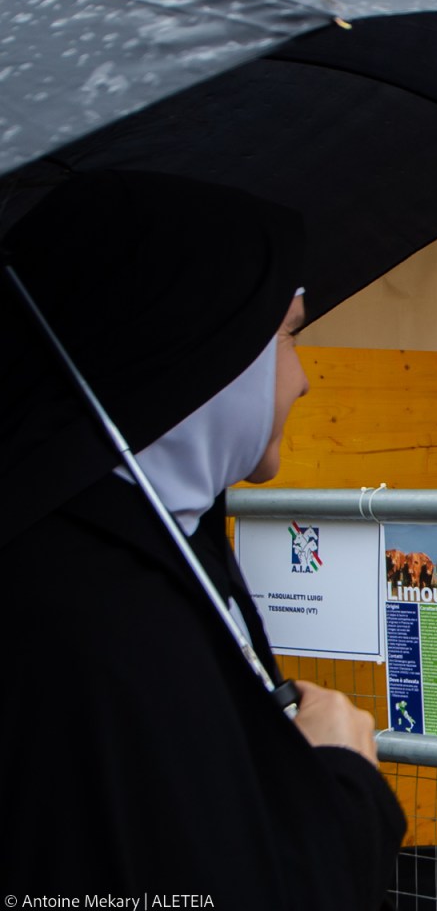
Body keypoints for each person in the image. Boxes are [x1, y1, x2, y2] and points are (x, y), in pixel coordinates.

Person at [0, 171, 405, 906]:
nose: (303, 379)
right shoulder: (104, 622)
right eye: (287, 335)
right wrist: (346, 781)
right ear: (199, 344)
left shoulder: (143, 544)